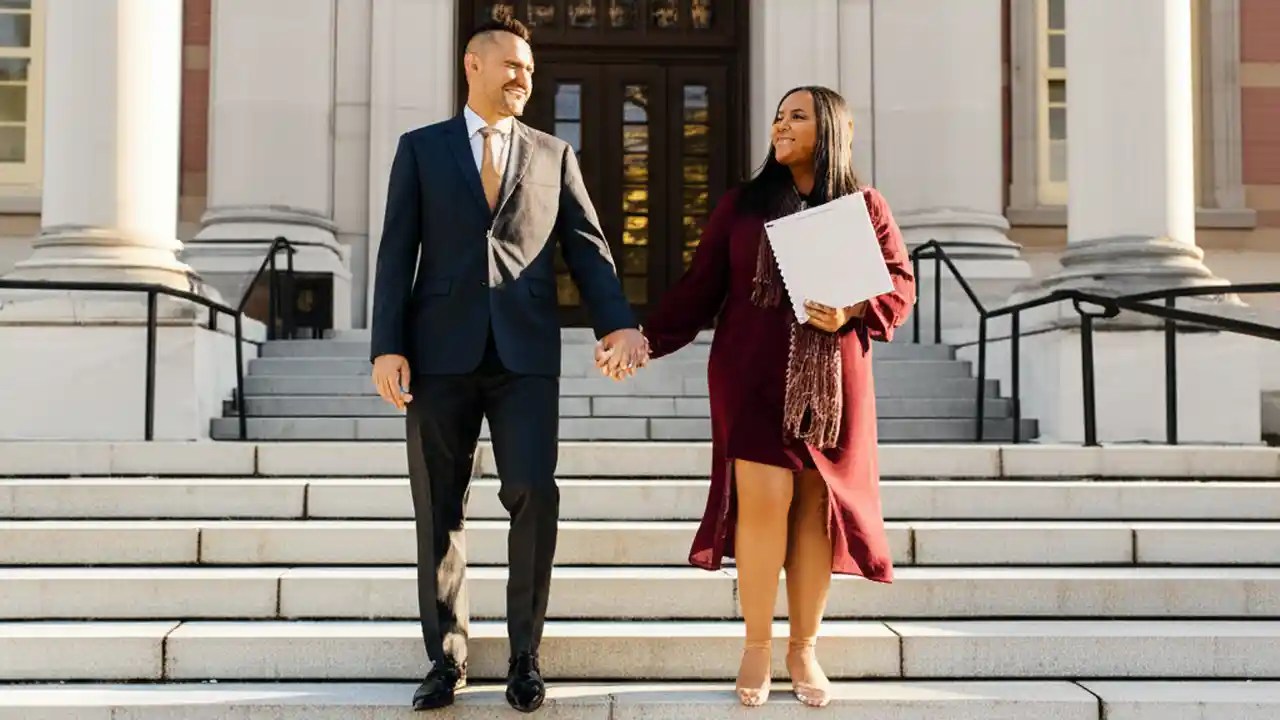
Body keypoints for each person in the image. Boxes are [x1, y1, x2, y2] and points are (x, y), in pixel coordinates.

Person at [369, 17, 647, 713]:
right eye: (513, 67)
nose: (524, 78)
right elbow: (396, 250)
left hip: (525, 354)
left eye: (529, 69)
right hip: (438, 354)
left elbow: (587, 247)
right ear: (474, 65)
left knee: (533, 491)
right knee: (438, 508)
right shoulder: (421, 150)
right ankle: (447, 657)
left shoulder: (555, 154)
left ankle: (525, 654)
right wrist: (386, 343)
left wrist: (617, 323)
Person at [607, 85, 915, 707]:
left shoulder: (864, 205)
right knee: (766, 501)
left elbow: (900, 285)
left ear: (831, 129)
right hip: (750, 372)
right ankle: (755, 646)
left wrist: (852, 309)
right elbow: (701, 287)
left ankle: (803, 648)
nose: (780, 125)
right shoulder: (743, 207)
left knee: (811, 506)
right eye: (778, 115)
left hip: (833, 380)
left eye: (797, 116)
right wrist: (646, 337)